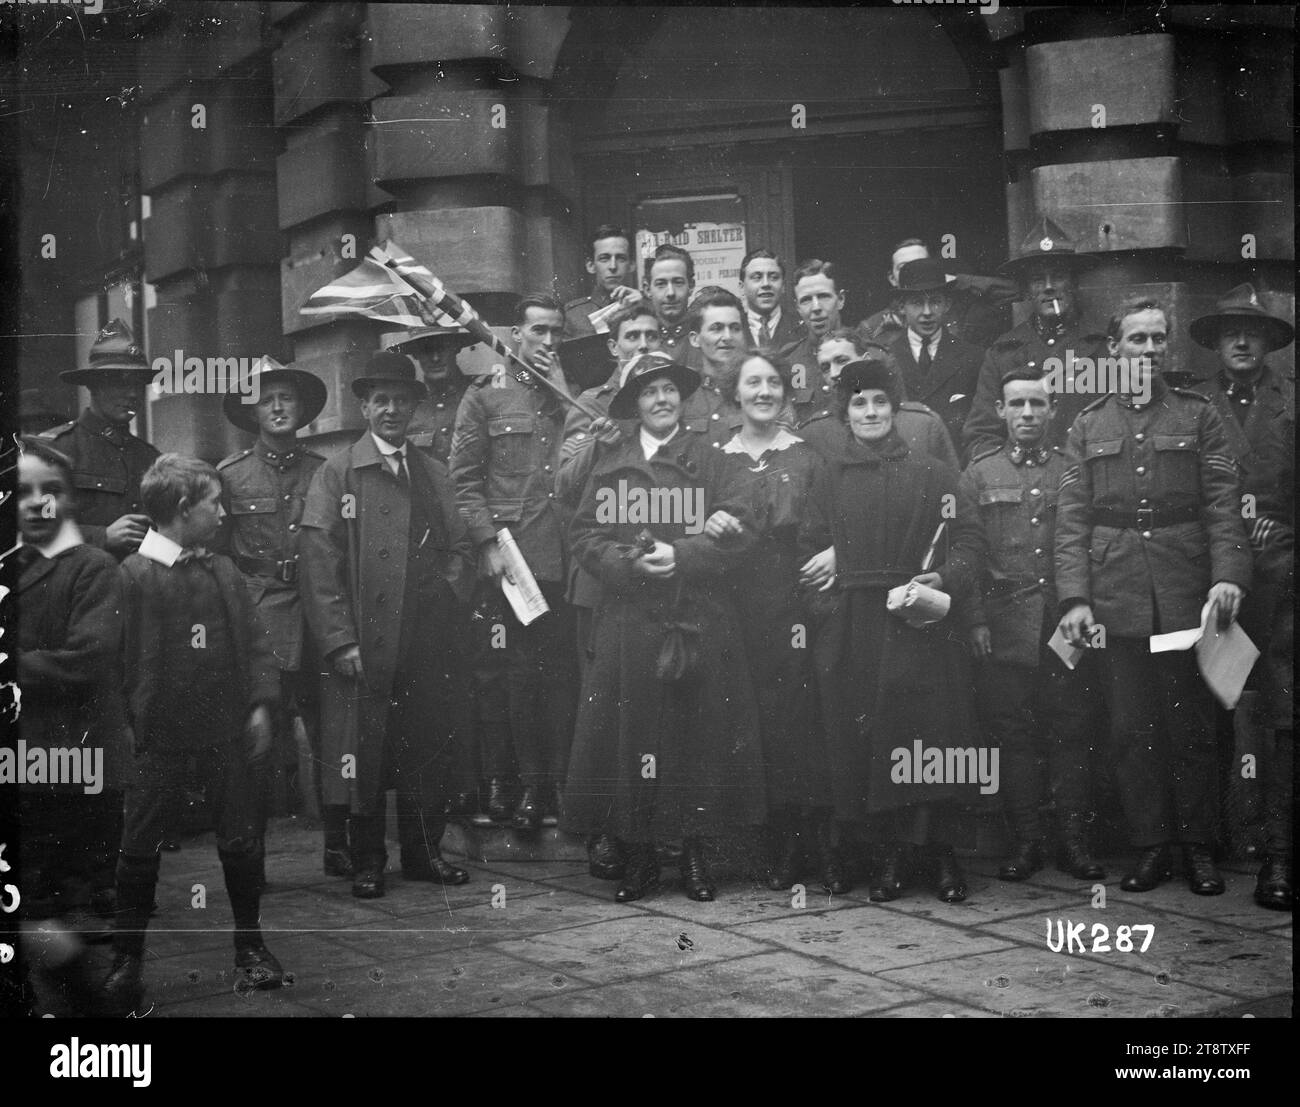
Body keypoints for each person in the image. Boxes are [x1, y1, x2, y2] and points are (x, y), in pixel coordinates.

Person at [1055, 297, 1252, 896]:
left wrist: (1228, 576)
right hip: (1117, 595)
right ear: (1114, 349)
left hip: (1185, 588)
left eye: (1156, 339)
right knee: (1130, 727)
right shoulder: (1088, 423)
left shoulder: (1198, 414)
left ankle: (1198, 846)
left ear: (1167, 347)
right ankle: (1151, 845)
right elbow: (1072, 519)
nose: (1146, 350)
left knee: (1189, 724)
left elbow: (1222, 501)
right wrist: (1075, 599)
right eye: (1135, 340)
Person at [562, 352, 766, 903]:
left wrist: (686, 554)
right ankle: (641, 859)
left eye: (670, 389)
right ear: (635, 403)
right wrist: (627, 564)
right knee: (632, 742)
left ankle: (698, 857)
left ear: (682, 397)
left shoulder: (713, 456)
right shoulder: (611, 463)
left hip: (698, 619)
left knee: (698, 739)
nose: (661, 400)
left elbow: (745, 526)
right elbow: (584, 537)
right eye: (649, 392)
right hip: (630, 621)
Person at [100, 454, 283, 1016]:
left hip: (225, 730)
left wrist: (258, 705)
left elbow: (254, 644)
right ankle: (127, 960)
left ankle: (250, 944)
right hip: (155, 737)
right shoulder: (130, 575)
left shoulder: (222, 570)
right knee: (138, 848)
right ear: (183, 510)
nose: (224, 513)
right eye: (214, 504)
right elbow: (110, 664)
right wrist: (121, 731)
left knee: (241, 838)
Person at [801, 359, 985, 904]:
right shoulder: (828, 477)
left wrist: (942, 578)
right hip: (853, 628)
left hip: (918, 624)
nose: (871, 412)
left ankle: (938, 856)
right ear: (844, 412)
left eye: (880, 401)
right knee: (862, 745)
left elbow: (970, 543)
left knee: (924, 740)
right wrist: (830, 612)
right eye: (859, 403)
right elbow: (808, 554)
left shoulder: (935, 473)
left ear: (896, 407)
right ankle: (887, 856)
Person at [300, 352, 476, 898]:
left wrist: (447, 593)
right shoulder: (338, 473)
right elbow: (318, 561)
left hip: (428, 638)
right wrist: (339, 640)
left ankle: (424, 856)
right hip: (367, 641)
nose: (392, 410)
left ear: (416, 407)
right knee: (365, 753)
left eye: (402, 400)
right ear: (365, 406)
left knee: (425, 748)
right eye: (382, 401)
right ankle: (368, 861)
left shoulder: (434, 472)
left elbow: (463, 546)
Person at [960, 372, 1104, 881]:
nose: (1027, 413)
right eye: (1016, 403)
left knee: (1071, 728)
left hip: (1062, 621)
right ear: (999, 410)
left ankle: (1074, 842)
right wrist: (975, 618)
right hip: (1003, 624)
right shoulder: (979, 472)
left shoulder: (1073, 468)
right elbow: (969, 552)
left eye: (1037, 404)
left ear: (1052, 411)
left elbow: (1081, 540)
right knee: (1013, 734)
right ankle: (1026, 841)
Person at [714, 351, 842, 894]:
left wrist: (838, 552)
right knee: (753, 721)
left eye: (772, 382)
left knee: (803, 721)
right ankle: (772, 844)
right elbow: (690, 517)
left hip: (799, 602)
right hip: (737, 605)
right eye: (753, 383)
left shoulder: (809, 457)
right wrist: (705, 516)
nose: (764, 391)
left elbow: (844, 517)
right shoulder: (715, 457)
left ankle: (816, 846)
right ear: (735, 394)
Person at [449, 295, 578, 832]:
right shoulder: (485, 396)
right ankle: (532, 787)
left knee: (566, 675)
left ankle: (568, 787)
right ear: (515, 334)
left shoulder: (573, 394)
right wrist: (486, 544)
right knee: (520, 677)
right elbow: (464, 479)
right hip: (516, 557)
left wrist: (566, 391)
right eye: (538, 331)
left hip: (570, 557)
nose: (547, 342)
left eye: (556, 333)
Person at [1188, 285, 1294, 909]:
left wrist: (1285, 530)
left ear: (1269, 342)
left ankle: (1278, 852)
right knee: (1216, 704)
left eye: (1253, 332)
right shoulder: (1195, 406)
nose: (1241, 340)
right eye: (1230, 331)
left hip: (1281, 582)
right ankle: (1218, 837)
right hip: (1217, 583)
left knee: (1282, 717)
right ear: (1216, 342)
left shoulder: (1291, 402)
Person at [215, 357, 332, 864]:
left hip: (318, 615)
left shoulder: (325, 472)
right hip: (260, 616)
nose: (279, 407)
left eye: (287, 398)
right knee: (259, 736)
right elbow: (218, 555)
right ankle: (252, 853)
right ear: (254, 412)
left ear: (302, 409)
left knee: (331, 731)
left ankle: (340, 843)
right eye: (268, 400)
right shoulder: (231, 475)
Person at [16, 438, 128, 924]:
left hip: (72, 757)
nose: (39, 503)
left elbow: (86, 660)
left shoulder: (92, 568)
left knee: (64, 901)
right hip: (20, 758)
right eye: (21, 490)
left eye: (53, 490)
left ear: (72, 500)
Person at [962, 219, 1109, 463]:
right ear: (1028, 290)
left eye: (1059, 276)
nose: (1049, 287)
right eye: (1038, 279)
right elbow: (980, 436)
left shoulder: (1104, 348)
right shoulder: (1004, 353)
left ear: (1073, 283)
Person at [40, 318, 159, 559]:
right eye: (119, 383)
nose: (133, 393)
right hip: (81, 588)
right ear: (93, 386)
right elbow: (40, 525)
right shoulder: (54, 451)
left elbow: (163, 533)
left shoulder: (150, 457)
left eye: (138, 384)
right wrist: (102, 537)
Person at [800, 328, 960, 469]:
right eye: (825, 368)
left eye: (842, 361)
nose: (834, 374)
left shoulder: (922, 424)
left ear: (866, 358)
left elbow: (951, 494)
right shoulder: (813, 433)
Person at [886, 258, 985, 449]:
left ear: (947, 304)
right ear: (901, 307)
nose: (927, 312)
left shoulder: (974, 358)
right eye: (916, 303)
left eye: (935, 302)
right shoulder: (886, 357)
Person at [859, 237, 1018, 350]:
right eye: (903, 267)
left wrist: (957, 280)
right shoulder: (872, 327)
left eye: (921, 264)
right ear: (892, 278)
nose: (915, 272)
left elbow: (1015, 290)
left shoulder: (955, 312)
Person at [683, 286, 746, 444]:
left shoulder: (759, 388)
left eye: (735, 328)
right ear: (695, 339)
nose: (727, 337)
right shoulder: (683, 395)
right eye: (716, 329)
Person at [784, 259, 842, 424]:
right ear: (798, 308)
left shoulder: (868, 355)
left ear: (841, 299)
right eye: (806, 300)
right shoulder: (789, 362)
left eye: (823, 296)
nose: (815, 307)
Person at [565, 224, 644, 338]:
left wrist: (642, 307)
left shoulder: (646, 307)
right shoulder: (573, 315)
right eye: (604, 258)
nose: (613, 266)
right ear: (591, 266)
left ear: (631, 265)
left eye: (621, 258)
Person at [738, 249, 803, 353]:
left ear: (783, 286)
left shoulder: (801, 327)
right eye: (757, 277)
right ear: (742, 287)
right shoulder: (732, 330)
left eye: (774, 277)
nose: (766, 284)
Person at [644, 243, 696, 365]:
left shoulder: (705, 338)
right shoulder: (640, 340)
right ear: (647, 289)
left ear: (691, 285)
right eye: (661, 284)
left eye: (678, 282)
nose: (670, 293)